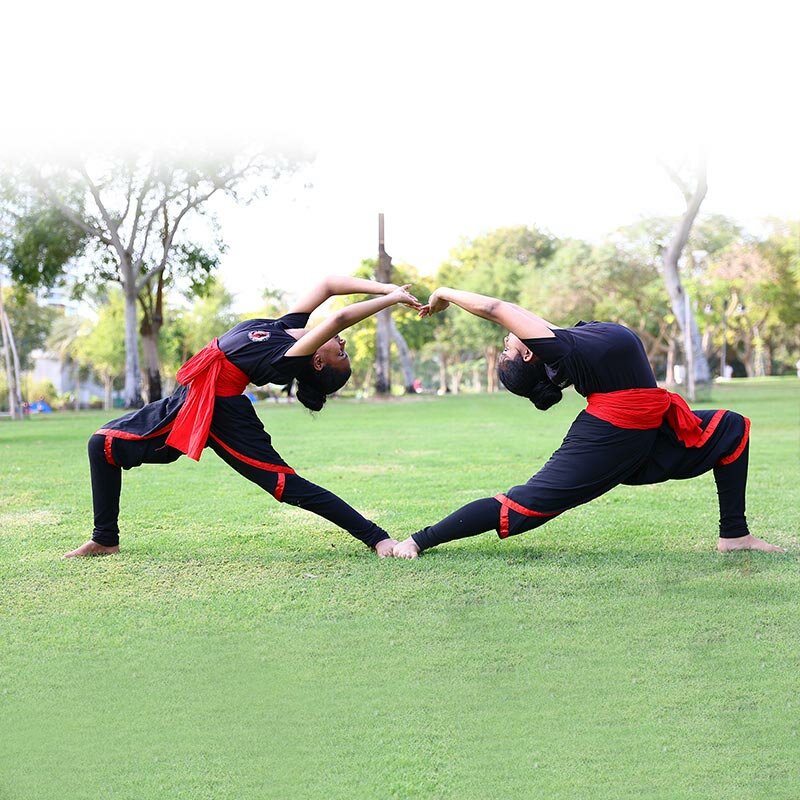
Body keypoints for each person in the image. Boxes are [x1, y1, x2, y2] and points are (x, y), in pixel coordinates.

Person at [393, 286, 785, 559]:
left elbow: (514, 312)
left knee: (730, 429)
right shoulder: (561, 349)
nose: (507, 339)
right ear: (529, 356)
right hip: (612, 435)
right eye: (507, 347)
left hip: (642, 424)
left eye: (504, 345)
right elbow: (497, 309)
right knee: (523, 508)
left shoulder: (559, 341)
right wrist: (443, 292)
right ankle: (419, 540)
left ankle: (735, 535)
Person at [64, 276, 421, 559]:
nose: (343, 346)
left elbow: (340, 316)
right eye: (345, 353)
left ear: (317, 362)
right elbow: (327, 285)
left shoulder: (289, 355)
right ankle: (105, 539)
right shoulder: (287, 326)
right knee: (103, 444)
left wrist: (391, 300)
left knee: (284, 484)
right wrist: (385, 287)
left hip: (221, 412)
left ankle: (376, 538)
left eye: (341, 356)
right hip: (192, 396)